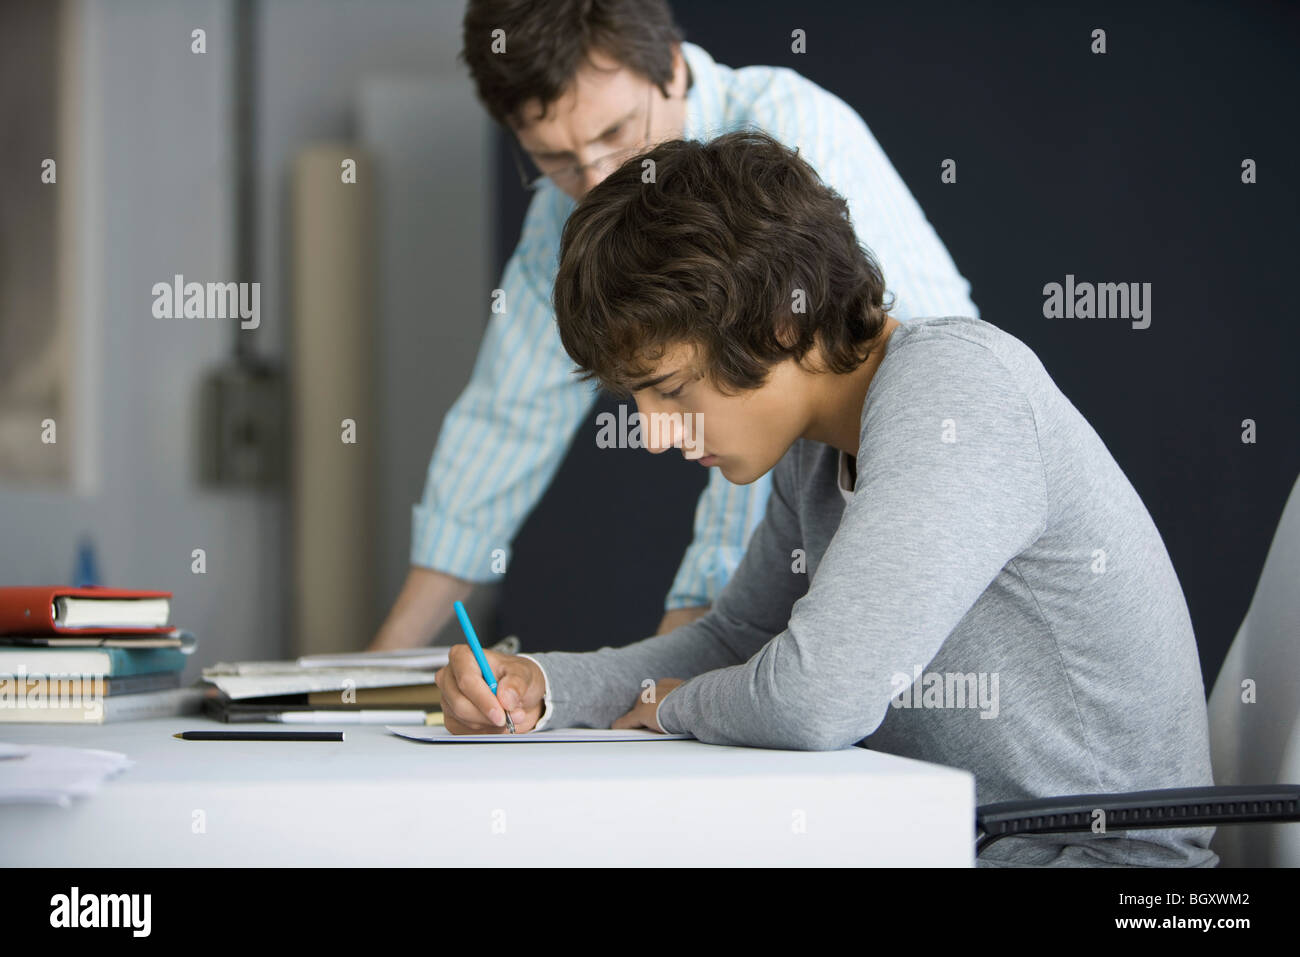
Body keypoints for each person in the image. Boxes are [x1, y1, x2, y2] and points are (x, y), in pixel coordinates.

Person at [434, 131, 1219, 868]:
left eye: (669, 389)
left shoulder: (956, 393)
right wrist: (543, 686)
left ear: (780, 323)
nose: (652, 435)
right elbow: (739, 639)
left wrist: (675, 707)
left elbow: (814, 700)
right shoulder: (813, 450)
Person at [370, 0, 978, 649]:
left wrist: (684, 644)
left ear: (671, 65)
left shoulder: (790, 132)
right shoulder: (570, 207)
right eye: (558, 159)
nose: (598, 177)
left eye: (616, 133)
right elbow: (504, 420)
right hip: (797, 561)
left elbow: (769, 398)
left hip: (928, 519)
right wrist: (378, 666)